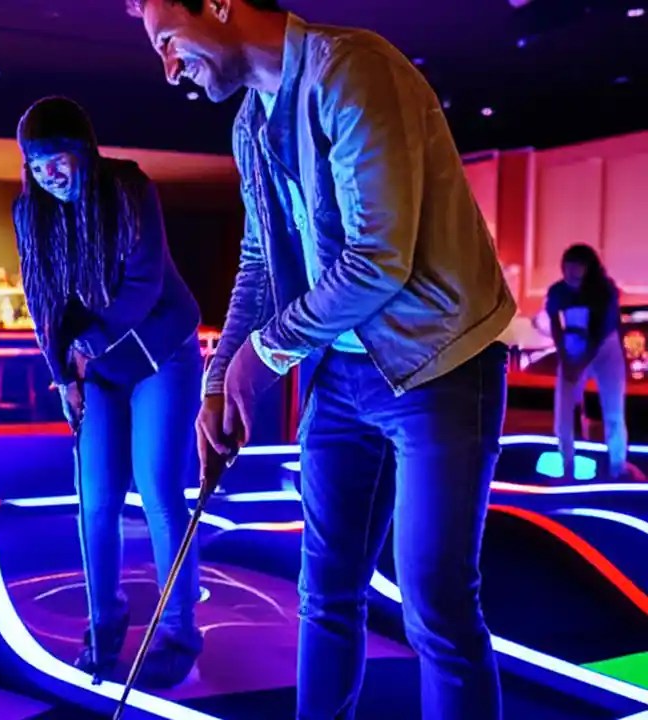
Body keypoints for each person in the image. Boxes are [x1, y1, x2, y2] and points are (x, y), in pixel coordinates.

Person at [128, 1, 518, 718]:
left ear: (219, 5)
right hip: (341, 374)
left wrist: (264, 356)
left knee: (436, 603)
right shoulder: (249, 121)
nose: (170, 67)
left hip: (439, 366)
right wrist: (221, 378)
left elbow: (378, 260)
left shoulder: (353, 69)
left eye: (168, 40)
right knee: (325, 595)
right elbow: (259, 264)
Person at [13, 96, 204, 687]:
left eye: (58, 160)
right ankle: (105, 621)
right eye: (38, 167)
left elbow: (146, 285)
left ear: (83, 152)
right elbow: (43, 301)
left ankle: (177, 630)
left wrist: (87, 347)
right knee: (95, 499)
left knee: (157, 489)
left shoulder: (128, 189)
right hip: (100, 367)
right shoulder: (32, 213)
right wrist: (62, 374)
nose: (50, 176)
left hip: (160, 350)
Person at [547, 244, 644, 482]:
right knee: (564, 411)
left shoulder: (604, 290)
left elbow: (599, 332)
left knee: (613, 410)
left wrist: (579, 363)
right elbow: (555, 324)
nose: (570, 273)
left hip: (605, 349)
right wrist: (565, 357)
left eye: (576, 267)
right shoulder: (558, 291)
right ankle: (566, 464)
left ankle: (617, 467)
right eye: (567, 267)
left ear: (588, 268)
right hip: (573, 346)